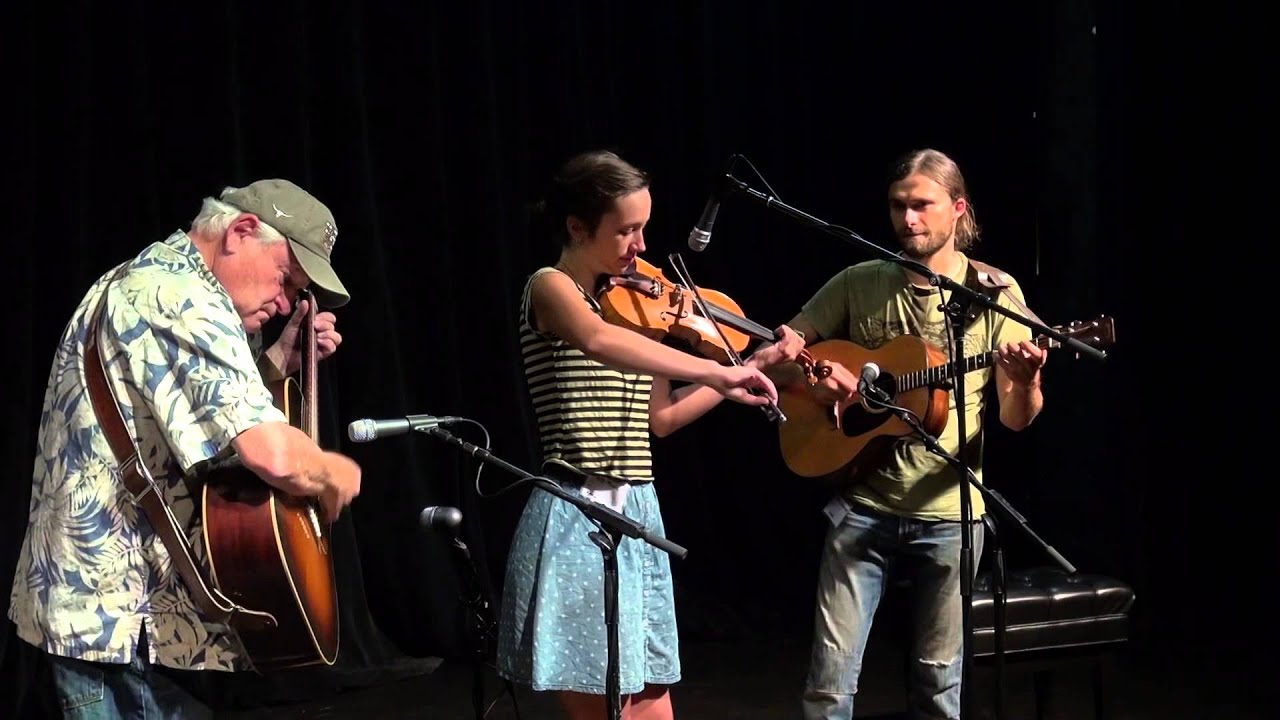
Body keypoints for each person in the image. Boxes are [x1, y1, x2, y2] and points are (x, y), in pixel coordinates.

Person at [8, 179, 364, 718]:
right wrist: (334, 472)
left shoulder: (151, 279)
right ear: (241, 232)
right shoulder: (181, 298)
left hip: (117, 617)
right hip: (115, 618)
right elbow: (269, 453)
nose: (287, 300)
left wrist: (278, 362)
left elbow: (182, 414)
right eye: (286, 277)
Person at [495, 149, 805, 720]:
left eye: (643, 228)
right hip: (578, 511)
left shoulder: (641, 313)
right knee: (598, 704)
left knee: (653, 703)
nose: (640, 247)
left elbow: (659, 420)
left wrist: (748, 366)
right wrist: (716, 368)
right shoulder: (551, 288)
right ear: (576, 227)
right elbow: (595, 338)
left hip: (637, 509)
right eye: (626, 231)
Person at [774, 149, 1048, 720]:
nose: (909, 220)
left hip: (951, 511)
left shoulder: (995, 294)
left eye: (922, 206)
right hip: (863, 504)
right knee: (829, 684)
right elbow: (777, 355)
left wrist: (1025, 380)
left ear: (957, 208)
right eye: (898, 207)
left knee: (938, 687)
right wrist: (819, 380)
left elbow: (1015, 418)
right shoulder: (860, 281)